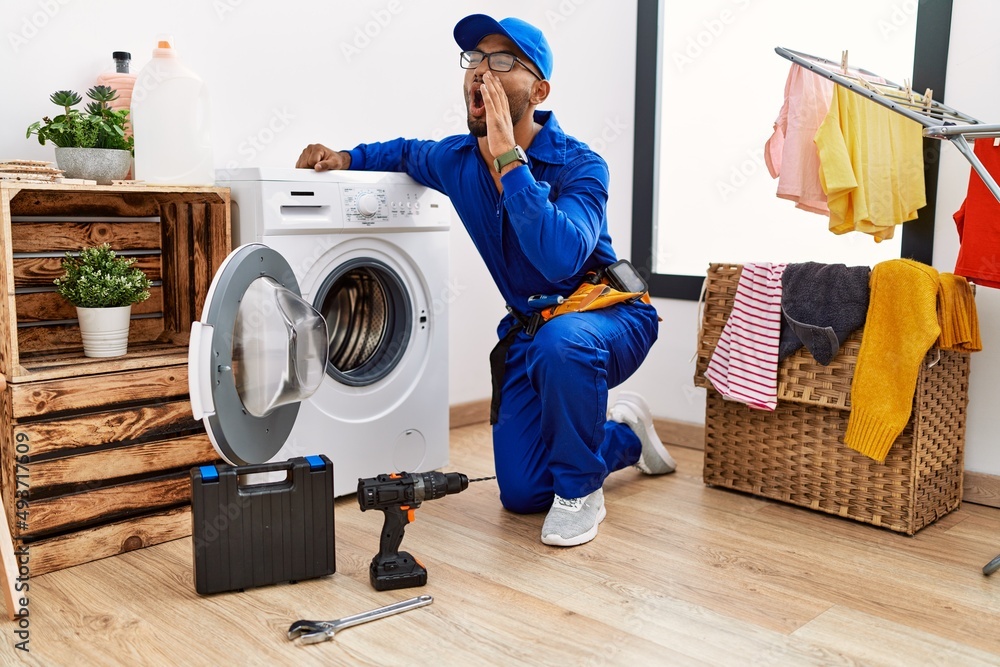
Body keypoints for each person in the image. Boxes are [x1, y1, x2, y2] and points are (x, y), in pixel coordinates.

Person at [296, 14, 676, 547]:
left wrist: (509, 161)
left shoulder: (581, 166)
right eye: (474, 59)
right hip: (532, 329)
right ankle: (623, 438)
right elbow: (406, 151)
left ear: (538, 89)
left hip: (606, 316)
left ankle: (582, 490)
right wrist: (345, 157)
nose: (482, 72)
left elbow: (560, 260)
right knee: (520, 494)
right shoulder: (456, 160)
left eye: (502, 61)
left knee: (561, 345)